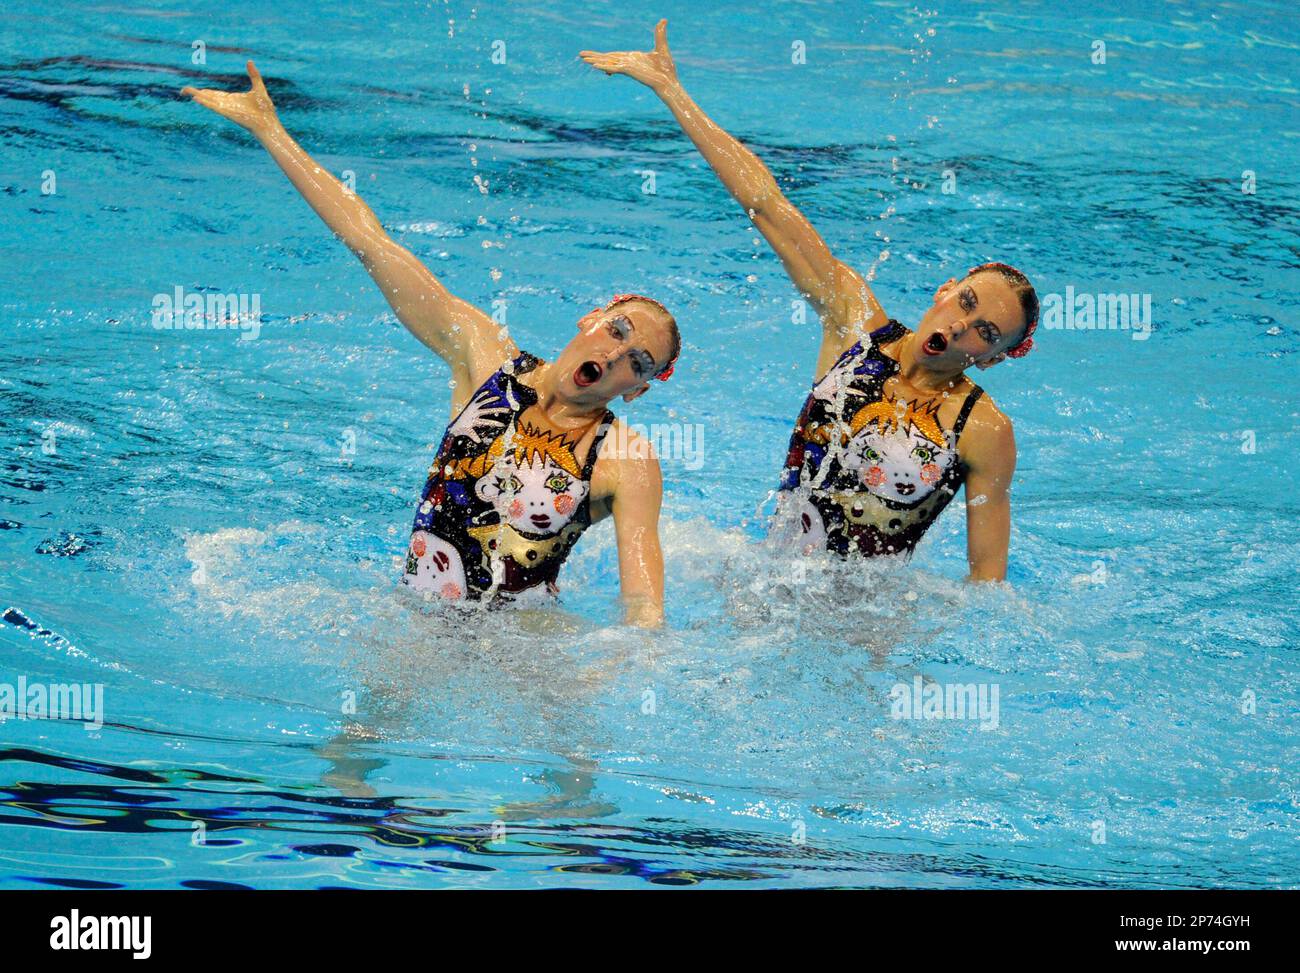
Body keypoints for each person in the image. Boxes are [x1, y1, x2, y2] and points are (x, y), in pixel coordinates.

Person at [182, 63, 680, 625]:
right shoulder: (485, 359)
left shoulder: (626, 459)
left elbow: (643, 604)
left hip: (528, 649)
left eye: (637, 362)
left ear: (635, 391)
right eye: (617, 332)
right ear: (592, 320)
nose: (615, 356)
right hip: (420, 623)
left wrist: (622, 660)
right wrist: (272, 131)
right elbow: (371, 243)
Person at [582, 23, 1037, 580]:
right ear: (945, 290)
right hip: (772, 576)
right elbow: (766, 202)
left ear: (992, 359)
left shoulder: (984, 429)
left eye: (987, 333)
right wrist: (672, 91)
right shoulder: (854, 324)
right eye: (965, 302)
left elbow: (986, 577)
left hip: (867, 617)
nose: (963, 325)